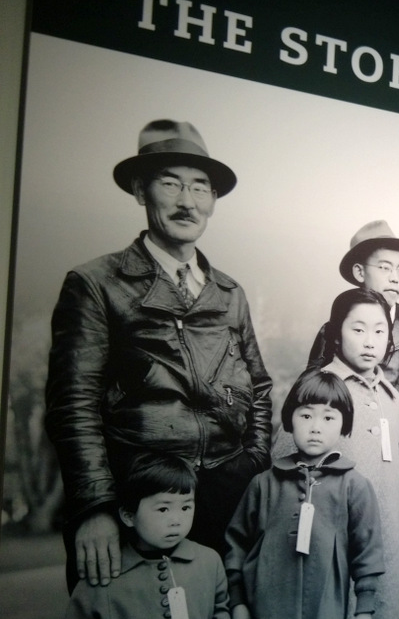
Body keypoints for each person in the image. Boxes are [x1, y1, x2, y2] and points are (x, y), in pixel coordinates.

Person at [45, 119, 273, 591]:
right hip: (139, 502)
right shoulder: (95, 283)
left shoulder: (230, 292)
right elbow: (73, 405)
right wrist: (96, 508)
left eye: (199, 187)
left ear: (212, 199)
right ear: (139, 190)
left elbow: (261, 388)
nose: (186, 201)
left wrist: (251, 463)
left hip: (224, 503)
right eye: (170, 183)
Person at [224, 368, 384, 619]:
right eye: (306, 415)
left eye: (329, 417)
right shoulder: (263, 485)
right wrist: (238, 606)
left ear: (344, 427)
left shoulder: (354, 487)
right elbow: (235, 548)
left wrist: (364, 613)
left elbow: (368, 555)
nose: (316, 426)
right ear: (289, 420)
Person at [60, 454, 234, 619]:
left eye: (186, 507)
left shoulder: (209, 562)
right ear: (129, 516)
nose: (176, 520)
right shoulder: (106, 576)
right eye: (163, 509)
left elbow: (221, 610)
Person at [316, 288, 399, 619]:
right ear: (336, 334)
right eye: (358, 328)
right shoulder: (321, 389)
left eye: (380, 329)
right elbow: (294, 472)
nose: (371, 339)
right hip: (337, 557)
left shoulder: (392, 396)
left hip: (387, 553)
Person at [308, 220, 399, 399]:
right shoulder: (332, 330)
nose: (395, 278)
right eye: (385, 268)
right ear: (360, 272)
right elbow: (312, 396)